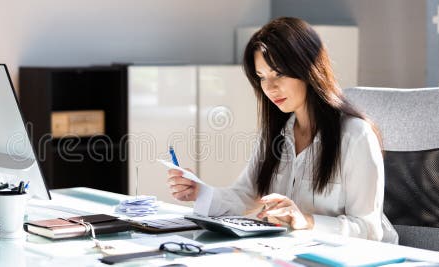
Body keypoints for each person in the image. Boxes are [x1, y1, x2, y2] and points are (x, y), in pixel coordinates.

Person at [166, 17, 398, 243]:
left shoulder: (356, 135)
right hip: (294, 251)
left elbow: (369, 230)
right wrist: (199, 191)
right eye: (262, 77)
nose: (270, 88)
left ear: (308, 68)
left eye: (279, 74)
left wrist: (305, 220)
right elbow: (247, 194)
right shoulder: (276, 134)